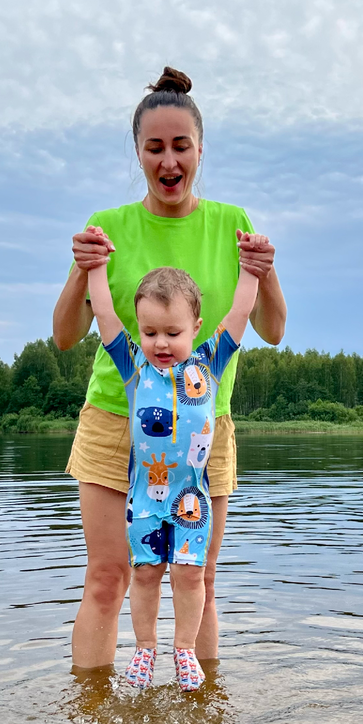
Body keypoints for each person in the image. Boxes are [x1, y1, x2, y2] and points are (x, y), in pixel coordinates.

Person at [52, 67, 287, 670]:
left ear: (199, 150)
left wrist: (265, 268)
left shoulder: (232, 223)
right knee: (110, 575)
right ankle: (94, 723)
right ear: (138, 153)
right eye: (154, 147)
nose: (168, 159)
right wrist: (81, 269)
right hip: (114, 419)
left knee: (197, 574)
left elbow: (273, 330)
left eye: (180, 145)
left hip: (205, 429)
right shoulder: (109, 227)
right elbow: (65, 335)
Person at [84, 235, 265, 689]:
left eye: (172, 332)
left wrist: (250, 269)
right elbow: (104, 316)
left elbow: (241, 313)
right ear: (139, 330)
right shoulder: (134, 369)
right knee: (144, 574)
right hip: (144, 498)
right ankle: (145, 649)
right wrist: (95, 269)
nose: (160, 343)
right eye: (149, 333)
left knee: (191, 576)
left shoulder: (209, 363)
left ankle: (184, 649)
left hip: (192, 499)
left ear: (196, 327)